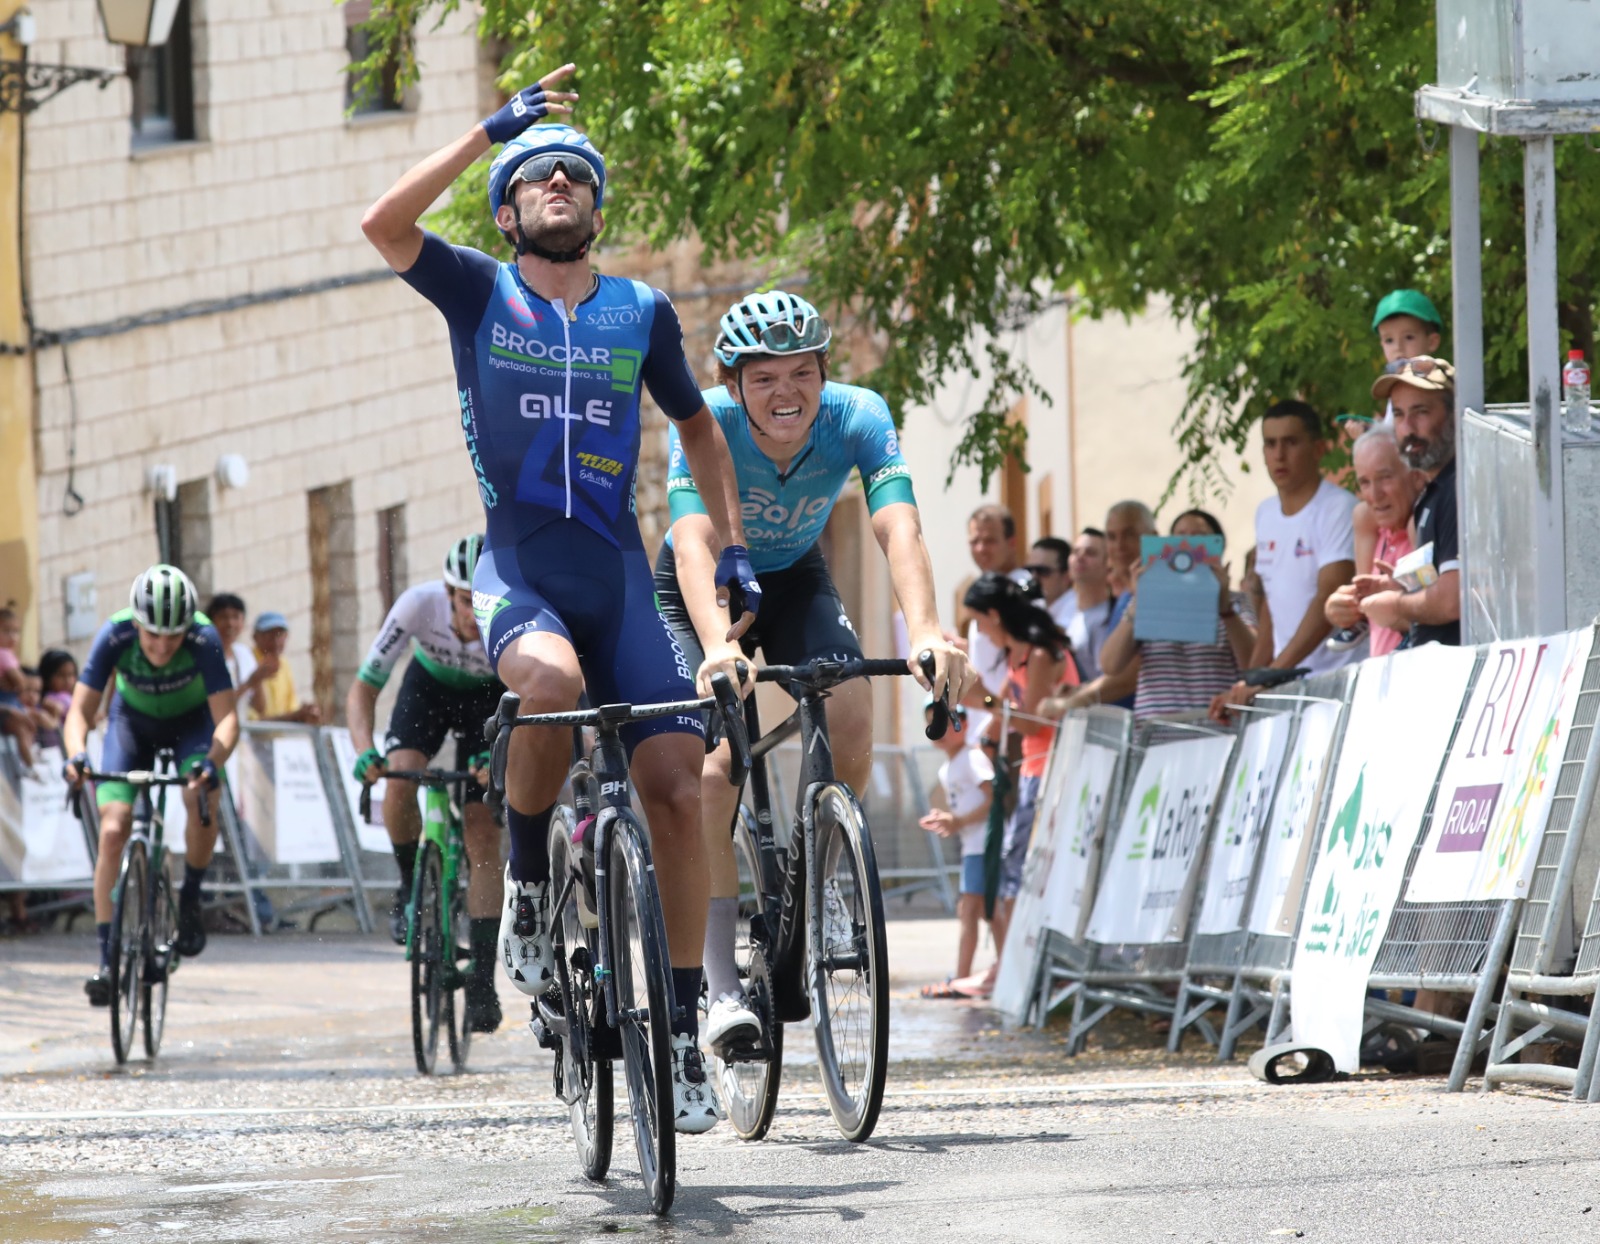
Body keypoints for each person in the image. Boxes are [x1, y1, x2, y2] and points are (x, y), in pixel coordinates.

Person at [362, 68, 758, 1133]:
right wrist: (486, 129)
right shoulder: (479, 290)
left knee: (678, 788)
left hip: (619, 574)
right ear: (505, 209)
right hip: (521, 568)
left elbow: (700, 428)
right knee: (550, 677)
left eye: (574, 175)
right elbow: (380, 220)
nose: (556, 183)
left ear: (596, 205)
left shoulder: (640, 310)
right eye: (534, 175)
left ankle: (678, 1028)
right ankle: (529, 885)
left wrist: (730, 550)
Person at [656, 288, 970, 1052]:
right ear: (734, 384)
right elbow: (693, 541)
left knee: (852, 707)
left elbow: (898, 524)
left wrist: (926, 628)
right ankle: (721, 984)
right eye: (763, 377)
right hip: (705, 590)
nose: (785, 392)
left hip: (795, 576)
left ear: (824, 373)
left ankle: (820, 867)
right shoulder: (707, 421)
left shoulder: (858, 413)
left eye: (801, 372)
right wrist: (718, 645)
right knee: (710, 769)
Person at [346, 535, 508, 1032]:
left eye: (481, 602)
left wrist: (499, 758)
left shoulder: (506, 620)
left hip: (490, 700)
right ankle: (406, 885)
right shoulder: (418, 606)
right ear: (447, 592)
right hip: (429, 689)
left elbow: (528, 702)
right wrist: (363, 753)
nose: (473, 614)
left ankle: (482, 979)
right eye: (464, 602)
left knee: (483, 831)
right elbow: (363, 688)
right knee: (399, 781)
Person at [61, 566, 239, 1006]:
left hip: (190, 727)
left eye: (172, 637)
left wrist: (213, 763)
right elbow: (79, 713)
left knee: (199, 793)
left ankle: (191, 896)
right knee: (113, 830)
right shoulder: (115, 634)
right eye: (152, 635)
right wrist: (76, 755)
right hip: (131, 725)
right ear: (137, 624)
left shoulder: (204, 638)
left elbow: (228, 719)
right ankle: (106, 961)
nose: (162, 646)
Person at [960, 572, 1079, 995]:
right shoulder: (1017, 655)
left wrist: (987, 701)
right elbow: (1010, 712)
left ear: (994, 615)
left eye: (978, 621)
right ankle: (1011, 965)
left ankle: (1017, 968)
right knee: (1013, 870)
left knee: (1018, 870)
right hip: (1033, 770)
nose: (979, 632)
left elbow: (1036, 720)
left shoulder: (1040, 654)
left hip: (1053, 771)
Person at [1211, 401, 1359, 722]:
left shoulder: (1338, 508)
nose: (1279, 455)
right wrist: (1249, 681)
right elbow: (1271, 607)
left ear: (1318, 448)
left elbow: (1328, 600)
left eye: (1291, 442)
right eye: (1270, 444)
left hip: (1338, 685)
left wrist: (1271, 675)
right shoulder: (1265, 514)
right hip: (1289, 691)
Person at [1327, 289, 1445, 651]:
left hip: (1426, 493)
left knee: (1417, 523)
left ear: (1432, 341)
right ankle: (1364, 596)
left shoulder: (1440, 387)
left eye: (1409, 338)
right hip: (1410, 493)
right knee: (1362, 512)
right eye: (1389, 341)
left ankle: (1411, 602)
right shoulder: (1389, 399)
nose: (1399, 348)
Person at [1099, 509, 1257, 720]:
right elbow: (1110, 664)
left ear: (1218, 548)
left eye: (1199, 537)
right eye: (1180, 536)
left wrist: (1225, 610)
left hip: (1218, 733)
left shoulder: (1237, 603)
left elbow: (1255, 663)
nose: (1189, 544)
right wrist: (1140, 601)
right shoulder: (1146, 603)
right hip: (1155, 738)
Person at [1357, 358, 1460, 647]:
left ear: (1453, 414)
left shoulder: (1458, 487)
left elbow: (1453, 601)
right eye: (1399, 415)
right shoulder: (1433, 492)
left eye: (1421, 412)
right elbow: (1443, 585)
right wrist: (1403, 585)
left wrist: (1398, 603)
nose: (1408, 428)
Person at [917, 701, 996, 999]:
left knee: (978, 910)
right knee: (983, 910)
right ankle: (980, 974)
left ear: (963, 723)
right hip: (972, 846)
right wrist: (950, 821)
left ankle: (964, 978)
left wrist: (959, 820)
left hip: (983, 845)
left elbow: (993, 798)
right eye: (933, 723)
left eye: (947, 721)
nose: (940, 730)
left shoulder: (972, 758)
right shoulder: (948, 767)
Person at [1324, 429, 1420, 658]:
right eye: (1365, 483)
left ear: (1414, 475)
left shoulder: (1423, 527)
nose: (1375, 495)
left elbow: (1444, 615)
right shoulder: (1374, 529)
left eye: (1385, 477)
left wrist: (1398, 607)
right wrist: (1342, 608)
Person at [1053, 505, 1146, 713]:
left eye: (1129, 535)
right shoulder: (1126, 599)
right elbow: (1110, 666)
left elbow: (1128, 677)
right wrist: (1080, 691)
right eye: (1112, 537)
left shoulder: (1146, 595)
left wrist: (1073, 702)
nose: (1120, 545)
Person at [249, 612, 320, 724]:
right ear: (255, 637)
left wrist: (305, 713)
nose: (275, 641)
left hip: (280, 738)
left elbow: (290, 708)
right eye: (269, 635)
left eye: (280, 635)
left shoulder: (284, 664)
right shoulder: (248, 661)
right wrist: (295, 716)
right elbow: (254, 720)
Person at [206, 593, 265, 717]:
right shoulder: (204, 655)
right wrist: (249, 683)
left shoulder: (244, 653)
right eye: (223, 617)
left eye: (236, 617)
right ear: (211, 621)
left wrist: (258, 680)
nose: (230, 623)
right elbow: (213, 707)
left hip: (240, 734)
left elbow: (260, 707)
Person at [1026, 536, 1077, 631]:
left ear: (1067, 575)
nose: (1034, 577)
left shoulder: (1075, 608)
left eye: (1043, 571)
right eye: (1030, 570)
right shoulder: (1037, 605)